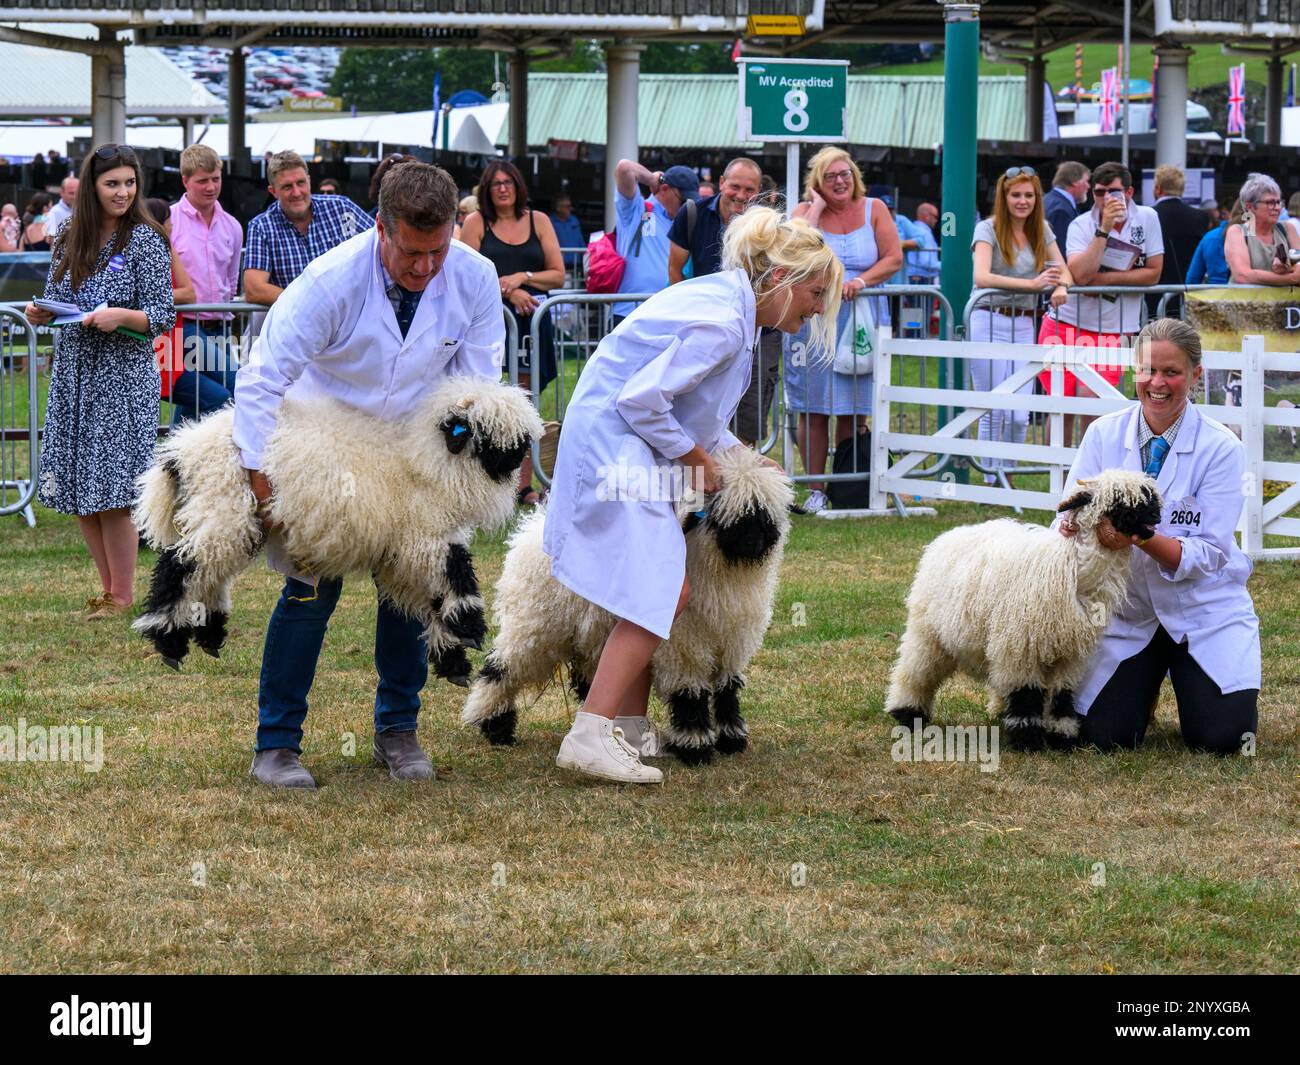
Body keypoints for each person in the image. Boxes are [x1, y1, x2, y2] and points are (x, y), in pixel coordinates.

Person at [542, 205, 841, 783]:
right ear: (780, 278)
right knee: (661, 591)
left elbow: (691, 412)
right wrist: (700, 461)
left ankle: (624, 729)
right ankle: (590, 731)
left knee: (644, 592)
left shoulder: (734, 313)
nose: (817, 307)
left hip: (627, 448)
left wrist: (739, 454)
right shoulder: (724, 322)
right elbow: (642, 401)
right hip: (617, 451)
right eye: (815, 292)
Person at [233, 161, 505, 789]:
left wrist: (458, 475)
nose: (426, 267)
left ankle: (398, 731)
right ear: (381, 227)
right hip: (326, 440)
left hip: (411, 449)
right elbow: (263, 377)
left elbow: (475, 388)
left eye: (438, 251)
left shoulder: (476, 277)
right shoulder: (328, 281)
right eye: (412, 252)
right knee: (309, 586)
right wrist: (261, 484)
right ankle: (275, 745)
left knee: (410, 583)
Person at [1055, 318, 1259, 753]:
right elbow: (1065, 519)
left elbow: (1208, 553)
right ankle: (1140, 687)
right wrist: (1081, 527)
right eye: (1148, 370)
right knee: (1101, 738)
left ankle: (1192, 682)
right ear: (1135, 370)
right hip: (1126, 610)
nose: (1157, 383)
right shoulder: (1103, 433)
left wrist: (1135, 536)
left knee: (1223, 740)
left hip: (1204, 612)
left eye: (1172, 372)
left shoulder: (1221, 447)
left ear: (1196, 375)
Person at [23, 144, 175, 619]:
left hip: (122, 378)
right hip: (74, 374)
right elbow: (55, 298)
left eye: (130, 183)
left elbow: (163, 315)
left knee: (114, 489)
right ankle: (108, 591)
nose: (123, 192)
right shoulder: (69, 234)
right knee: (79, 488)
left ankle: (124, 595)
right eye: (113, 184)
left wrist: (121, 317)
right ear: (92, 186)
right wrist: (40, 312)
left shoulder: (146, 240)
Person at [786, 148, 903, 514]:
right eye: (830, 176)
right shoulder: (805, 214)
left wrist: (861, 281)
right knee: (814, 407)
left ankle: (848, 483)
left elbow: (893, 257)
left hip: (862, 316)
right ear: (817, 183)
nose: (840, 181)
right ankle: (816, 488)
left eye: (845, 174)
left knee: (854, 408)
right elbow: (794, 249)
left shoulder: (875, 209)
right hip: (816, 320)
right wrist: (817, 209)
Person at [459, 159, 565, 506]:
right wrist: (508, 292)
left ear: (518, 186)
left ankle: (523, 486)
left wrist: (523, 278)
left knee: (525, 402)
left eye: (508, 182)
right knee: (486, 402)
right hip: (491, 322)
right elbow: (467, 272)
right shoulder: (475, 223)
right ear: (486, 191)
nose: (502, 188)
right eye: (495, 184)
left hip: (531, 321)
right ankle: (485, 484)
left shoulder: (540, 221)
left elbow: (557, 275)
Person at [1042, 161, 1164, 444]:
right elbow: (1081, 275)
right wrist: (1104, 228)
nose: (1106, 199)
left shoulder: (1147, 218)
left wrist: (1106, 280)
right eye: (1099, 192)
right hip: (1067, 323)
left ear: (1130, 191)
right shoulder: (1080, 224)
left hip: (1114, 328)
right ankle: (1054, 478)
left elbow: (1154, 272)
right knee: (1061, 407)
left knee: (1093, 403)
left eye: (1114, 191)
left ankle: (1089, 480)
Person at [968, 166, 1073, 484]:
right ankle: (993, 477)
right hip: (988, 318)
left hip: (1025, 323)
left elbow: (1064, 271)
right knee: (994, 405)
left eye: (1028, 195)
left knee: (1018, 412)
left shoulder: (1042, 229)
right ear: (1004, 196)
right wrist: (1033, 285)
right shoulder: (987, 229)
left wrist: (1060, 287)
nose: (1022, 201)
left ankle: (1007, 471)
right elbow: (981, 276)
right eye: (1016, 194)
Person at [668, 159, 779, 447]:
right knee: (700, 411)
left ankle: (736, 486)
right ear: (721, 184)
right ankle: (699, 483)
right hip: (707, 329)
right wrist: (687, 317)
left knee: (748, 415)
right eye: (735, 187)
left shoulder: (768, 226)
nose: (741, 196)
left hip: (758, 332)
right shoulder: (692, 214)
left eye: (750, 190)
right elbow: (674, 270)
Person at [168, 144, 244, 421]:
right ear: (185, 181)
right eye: (202, 180)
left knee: (195, 407)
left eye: (216, 179)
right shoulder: (169, 221)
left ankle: (173, 461)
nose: (211, 187)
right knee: (236, 386)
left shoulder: (232, 226)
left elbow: (232, 276)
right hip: (184, 324)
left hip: (219, 326)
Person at [243, 150, 375, 307]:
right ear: (273, 192)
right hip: (296, 325)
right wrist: (307, 304)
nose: (296, 192)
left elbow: (382, 245)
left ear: (309, 181)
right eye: (287, 187)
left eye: (300, 183)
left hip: (349, 319)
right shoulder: (262, 227)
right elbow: (254, 289)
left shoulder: (342, 209)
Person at [610, 159, 696, 329]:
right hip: (629, 313)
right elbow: (624, 168)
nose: (687, 205)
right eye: (684, 200)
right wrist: (652, 179)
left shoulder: (687, 219)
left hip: (668, 313)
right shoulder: (637, 209)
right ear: (665, 190)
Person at [1150, 165, 1210, 317]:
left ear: (1158, 188)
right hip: (1188, 294)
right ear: (1182, 190)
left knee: (1150, 339)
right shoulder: (1200, 217)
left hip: (1152, 294)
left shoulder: (1149, 216)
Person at [1224, 172, 1300, 286]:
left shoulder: (1288, 229)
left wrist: (1286, 269)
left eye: (1279, 202)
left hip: (1285, 303)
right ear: (1249, 207)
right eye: (1270, 203)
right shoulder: (1237, 232)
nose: (1277, 208)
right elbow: (1243, 275)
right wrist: (1291, 278)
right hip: (1247, 303)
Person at [1186, 197, 1239, 285]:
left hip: (1213, 295)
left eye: (1223, 213)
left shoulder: (1209, 237)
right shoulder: (1254, 236)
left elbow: (1192, 279)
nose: (1221, 216)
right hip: (1247, 295)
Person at [1043, 161, 1090, 250]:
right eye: (1086, 181)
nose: (1088, 186)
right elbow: (1063, 252)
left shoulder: (1047, 199)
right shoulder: (1062, 211)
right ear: (1075, 181)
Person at [549, 193, 585, 274]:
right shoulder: (550, 221)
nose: (570, 209)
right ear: (558, 208)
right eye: (567, 206)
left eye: (570, 206)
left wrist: (585, 255)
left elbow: (580, 240)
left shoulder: (574, 220)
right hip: (557, 267)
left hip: (575, 264)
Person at [907, 202, 941, 285]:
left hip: (914, 278)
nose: (936, 221)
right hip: (922, 279)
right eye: (935, 217)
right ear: (927, 216)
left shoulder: (912, 229)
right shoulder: (924, 233)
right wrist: (947, 265)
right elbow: (925, 261)